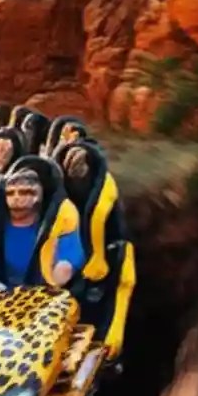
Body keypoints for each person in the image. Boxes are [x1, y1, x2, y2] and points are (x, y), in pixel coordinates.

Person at [0, 156, 85, 288]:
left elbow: (71, 252)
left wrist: (66, 265)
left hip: (42, 295)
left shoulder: (58, 223)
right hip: (0, 294)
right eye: (11, 193)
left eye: (25, 192)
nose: (17, 198)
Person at [51, 140, 135, 359]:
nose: (76, 174)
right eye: (70, 170)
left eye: (82, 169)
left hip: (104, 266)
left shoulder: (106, 199)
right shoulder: (58, 212)